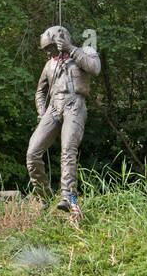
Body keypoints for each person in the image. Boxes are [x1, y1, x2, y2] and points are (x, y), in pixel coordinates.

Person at [26, 25, 101, 214]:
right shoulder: (50, 64)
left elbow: (95, 69)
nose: (48, 53)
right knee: (32, 152)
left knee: (68, 149)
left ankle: (68, 196)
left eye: (50, 48)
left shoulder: (84, 52)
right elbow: (40, 91)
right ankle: (45, 196)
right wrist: (41, 111)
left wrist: (70, 48)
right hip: (53, 107)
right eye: (46, 50)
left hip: (74, 104)